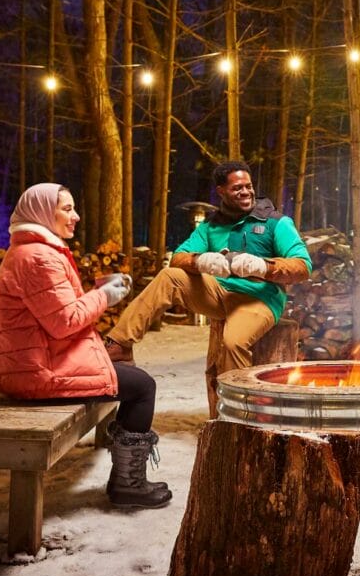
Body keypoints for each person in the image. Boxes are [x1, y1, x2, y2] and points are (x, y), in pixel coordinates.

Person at [0, 183, 171, 509]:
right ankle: (129, 484)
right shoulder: (38, 258)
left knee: (126, 374)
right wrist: (105, 295)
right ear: (43, 212)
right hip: (37, 370)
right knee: (142, 386)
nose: (76, 216)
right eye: (66, 209)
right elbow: (64, 321)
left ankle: (127, 479)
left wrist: (100, 293)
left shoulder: (35, 251)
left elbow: (56, 315)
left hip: (35, 362)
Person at [104, 161, 312, 410]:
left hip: (260, 298)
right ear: (221, 191)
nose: (245, 192)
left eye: (248, 186)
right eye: (237, 188)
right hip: (218, 292)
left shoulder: (276, 222)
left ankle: (238, 409)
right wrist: (201, 260)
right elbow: (178, 257)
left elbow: (303, 266)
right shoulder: (211, 225)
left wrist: (263, 266)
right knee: (170, 276)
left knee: (233, 342)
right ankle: (120, 344)